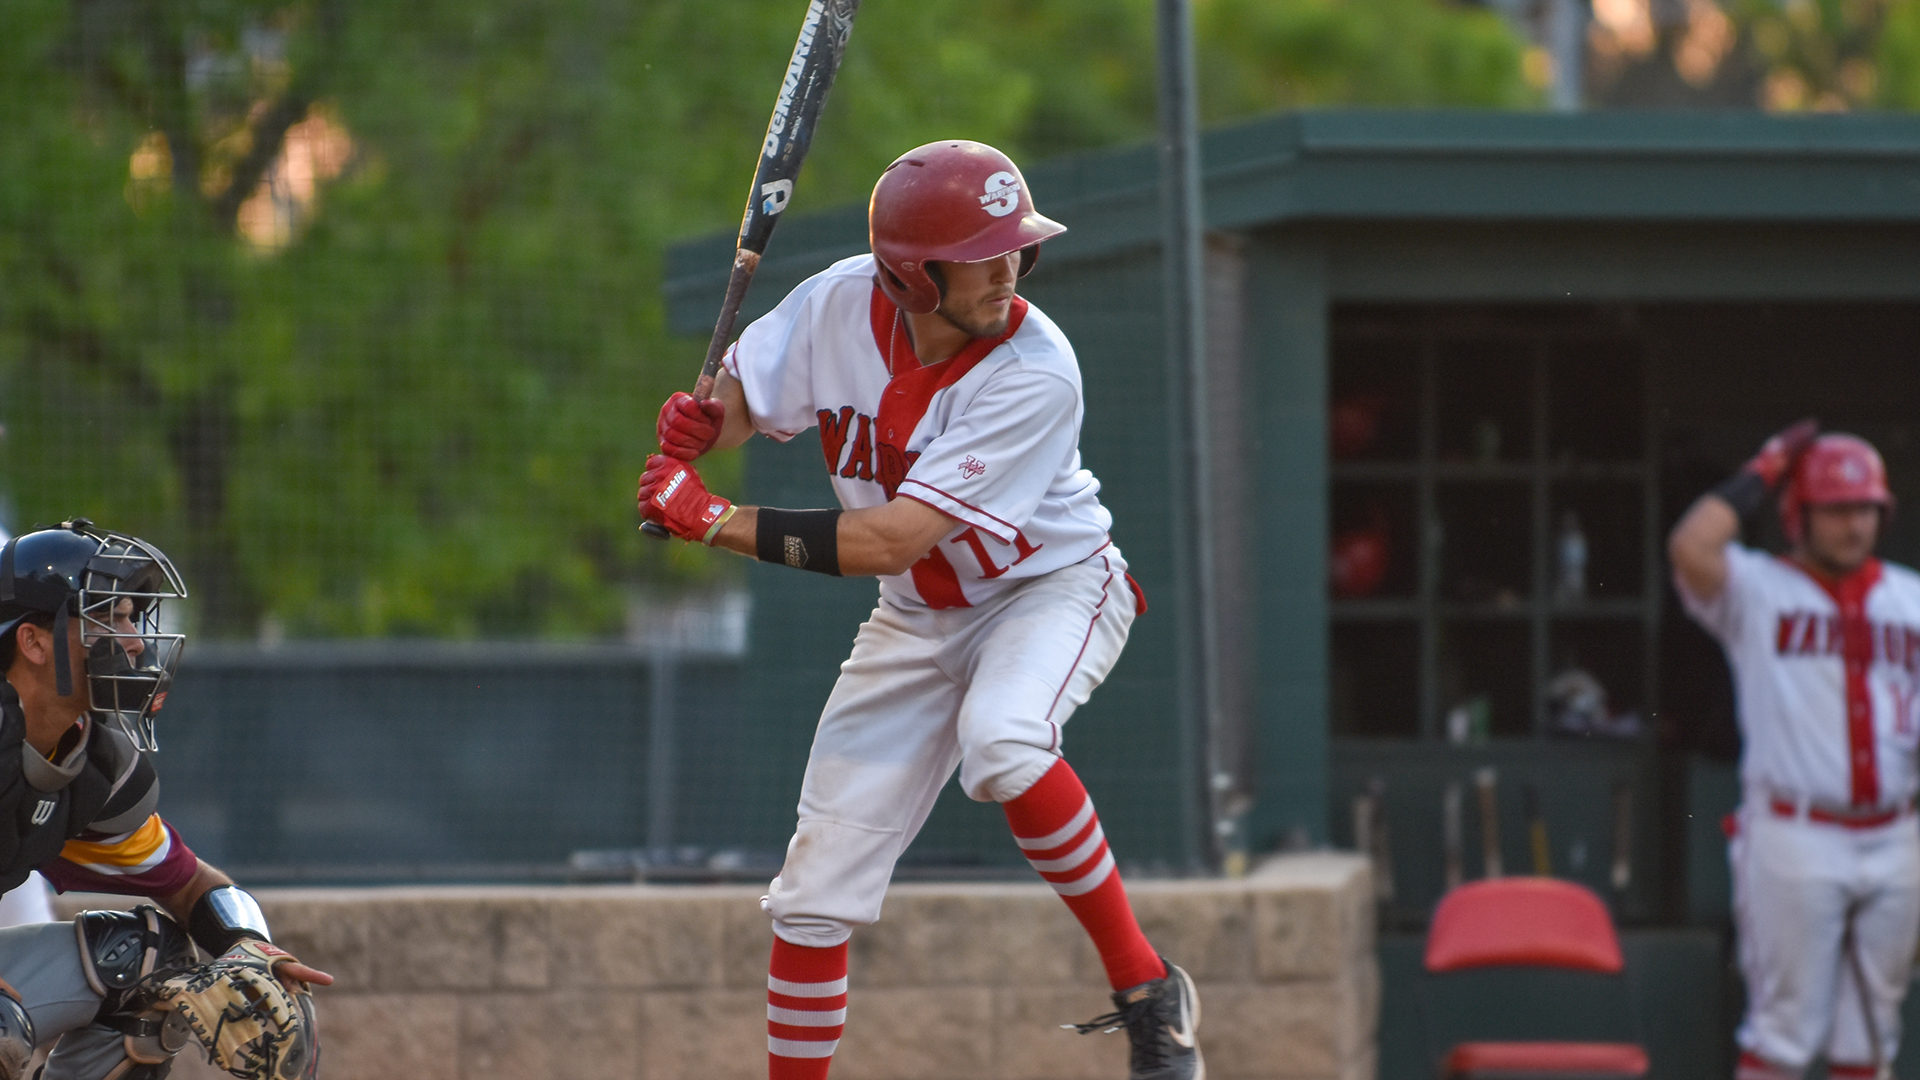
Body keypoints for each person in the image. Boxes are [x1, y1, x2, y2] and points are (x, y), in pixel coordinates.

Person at [638, 140, 1201, 1080]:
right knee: (812, 895)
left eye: (1015, 244)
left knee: (1006, 744)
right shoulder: (835, 302)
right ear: (910, 276)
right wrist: (712, 424)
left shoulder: (1037, 368)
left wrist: (714, 518)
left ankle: (1146, 987)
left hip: (1048, 588)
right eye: (980, 253)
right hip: (919, 618)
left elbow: (889, 541)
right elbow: (744, 402)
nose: (1007, 267)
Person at [0, 519, 331, 1079]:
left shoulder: (88, 766)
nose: (132, 641)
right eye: (108, 617)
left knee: (151, 961)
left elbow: (187, 883)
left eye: (132, 617)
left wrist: (251, 948)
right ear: (32, 641)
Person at [1669, 423, 1920, 1080]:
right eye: (1835, 508)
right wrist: (1765, 469)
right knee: (1782, 1034)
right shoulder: (1757, 590)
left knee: (1870, 1040)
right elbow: (1691, 546)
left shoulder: (1911, 599)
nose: (1853, 523)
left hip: (1896, 832)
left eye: (1865, 508)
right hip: (1795, 828)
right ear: (1798, 514)